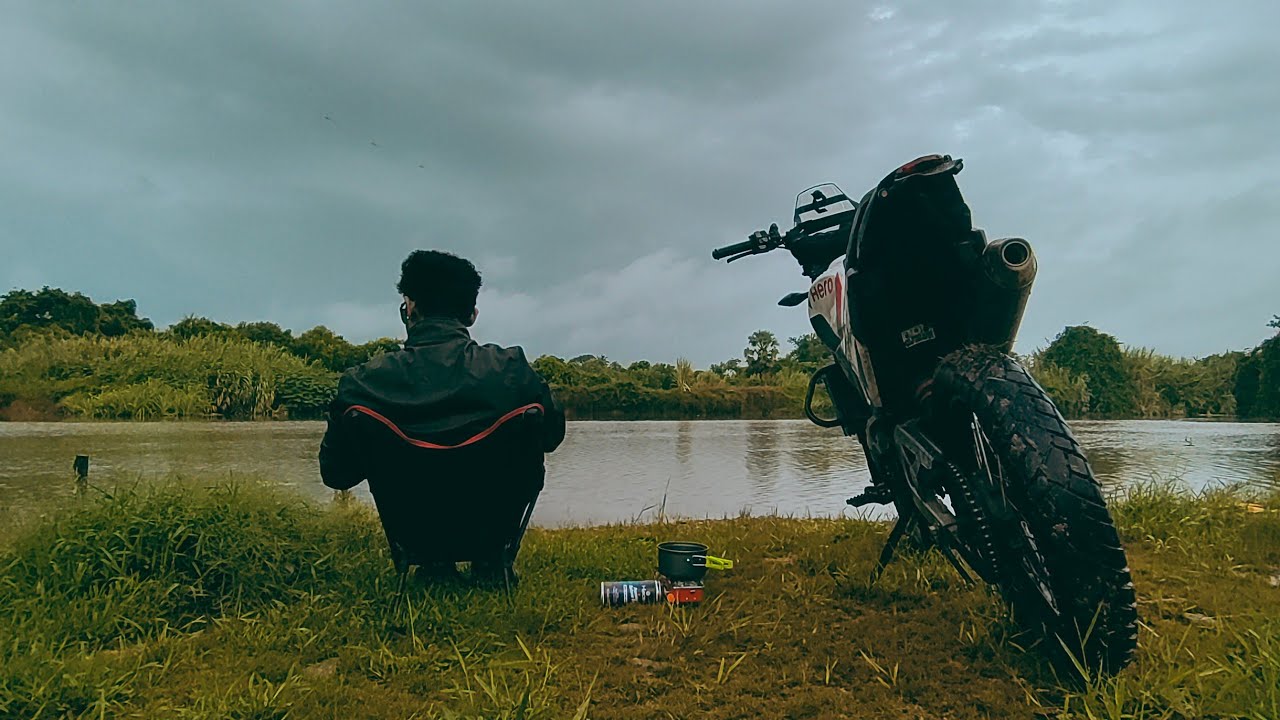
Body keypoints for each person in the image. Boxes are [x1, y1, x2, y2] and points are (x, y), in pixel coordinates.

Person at [319, 249, 565, 581]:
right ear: (472, 314)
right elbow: (551, 439)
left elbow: (337, 474)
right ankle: (491, 563)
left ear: (410, 307)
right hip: (492, 531)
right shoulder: (513, 371)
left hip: (415, 532)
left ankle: (434, 566)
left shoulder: (363, 383)